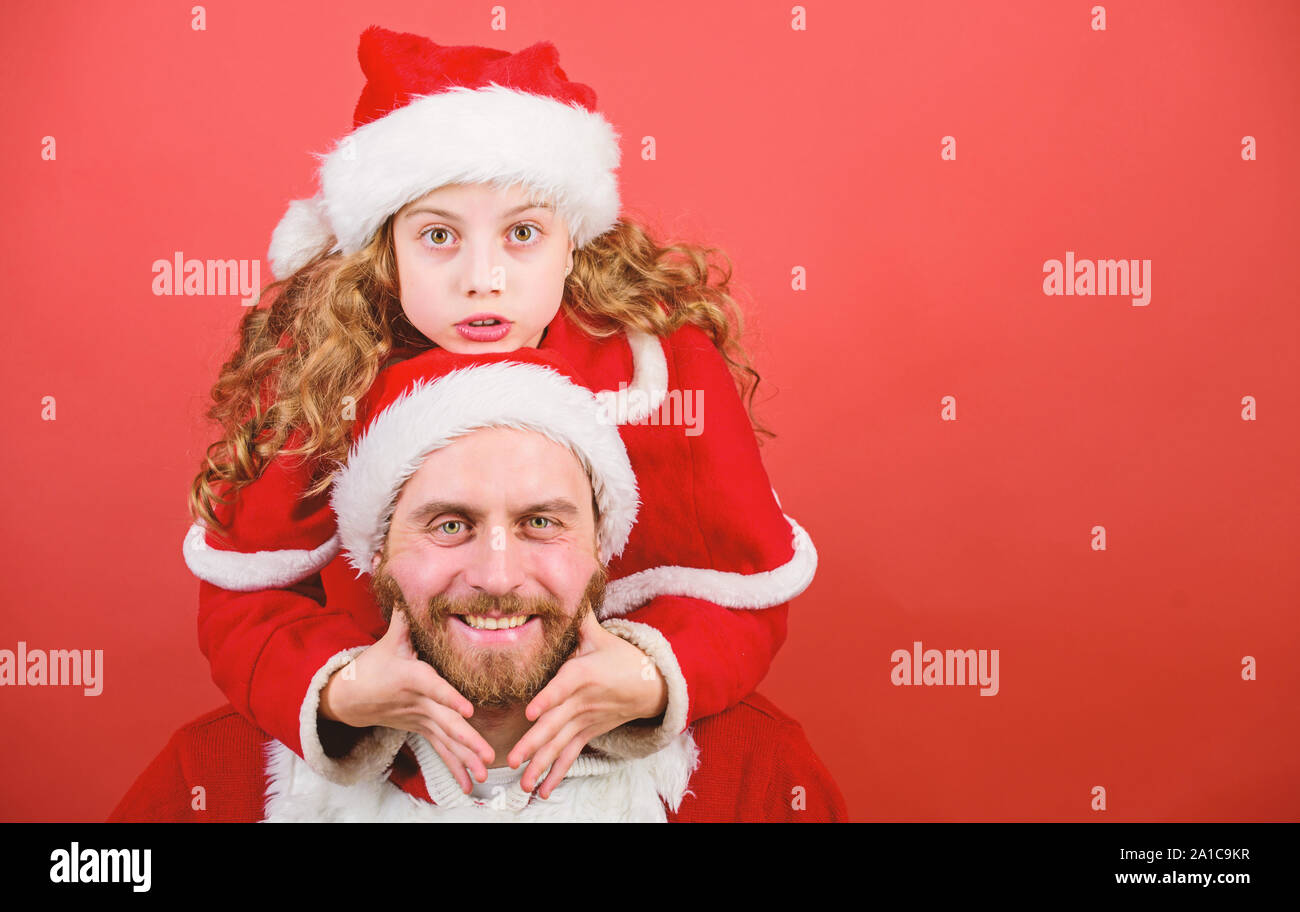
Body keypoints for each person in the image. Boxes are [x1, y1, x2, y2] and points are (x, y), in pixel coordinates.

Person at [182, 26, 818, 800]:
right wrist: (342, 688)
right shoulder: (321, 367)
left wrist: (656, 673)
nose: (483, 279)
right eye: (438, 236)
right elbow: (244, 606)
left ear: (573, 244)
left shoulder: (660, 368)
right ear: (385, 252)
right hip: (396, 769)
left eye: (522, 234)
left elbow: (747, 591)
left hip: (603, 760)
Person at [114, 350, 845, 821]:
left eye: (540, 523)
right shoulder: (218, 777)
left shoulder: (754, 774)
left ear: (602, 548)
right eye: (449, 525)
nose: (497, 576)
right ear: (377, 552)